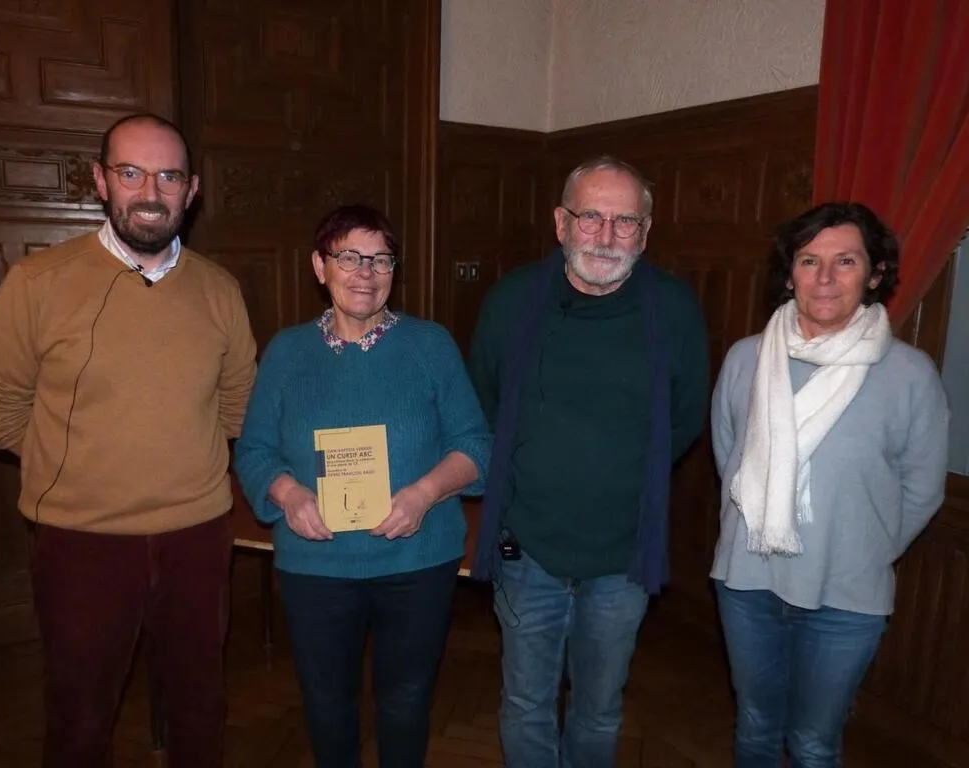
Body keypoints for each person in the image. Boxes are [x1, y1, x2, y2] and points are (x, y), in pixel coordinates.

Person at [0, 113, 257, 768]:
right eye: (131, 172)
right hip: (81, 543)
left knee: (200, 703)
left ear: (192, 189)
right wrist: (73, 464)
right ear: (100, 181)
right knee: (80, 713)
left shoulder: (218, 290)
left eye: (168, 175)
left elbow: (238, 404)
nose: (150, 191)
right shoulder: (37, 285)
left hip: (197, 537)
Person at [466, 155, 710, 768]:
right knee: (526, 704)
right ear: (560, 223)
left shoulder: (675, 310)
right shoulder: (512, 300)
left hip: (625, 558)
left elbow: (685, 418)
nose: (605, 236)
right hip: (528, 552)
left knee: (600, 710)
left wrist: (617, 479)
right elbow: (485, 405)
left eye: (624, 222)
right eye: (590, 217)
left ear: (646, 233)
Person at [233, 203, 491, 768]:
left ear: (394, 270)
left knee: (406, 701)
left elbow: (476, 448)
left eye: (380, 259)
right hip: (317, 565)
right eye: (348, 256)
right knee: (327, 703)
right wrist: (287, 493)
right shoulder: (287, 351)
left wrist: (424, 494)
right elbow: (253, 452)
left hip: (417, 561)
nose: (365, 272)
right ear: (319, 267)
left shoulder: (431, 346)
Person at [710, 202, 949, 767]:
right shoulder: (746, 359)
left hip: (846, 596)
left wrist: (861, 553)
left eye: (844, 261)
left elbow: (923, 487)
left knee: (816, 743)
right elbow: (730, 457)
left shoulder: (909, 374)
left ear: (874, 273)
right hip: (747, 581)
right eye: (808, 260)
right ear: (788, 272)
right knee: (755, 726)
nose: (823, 278)